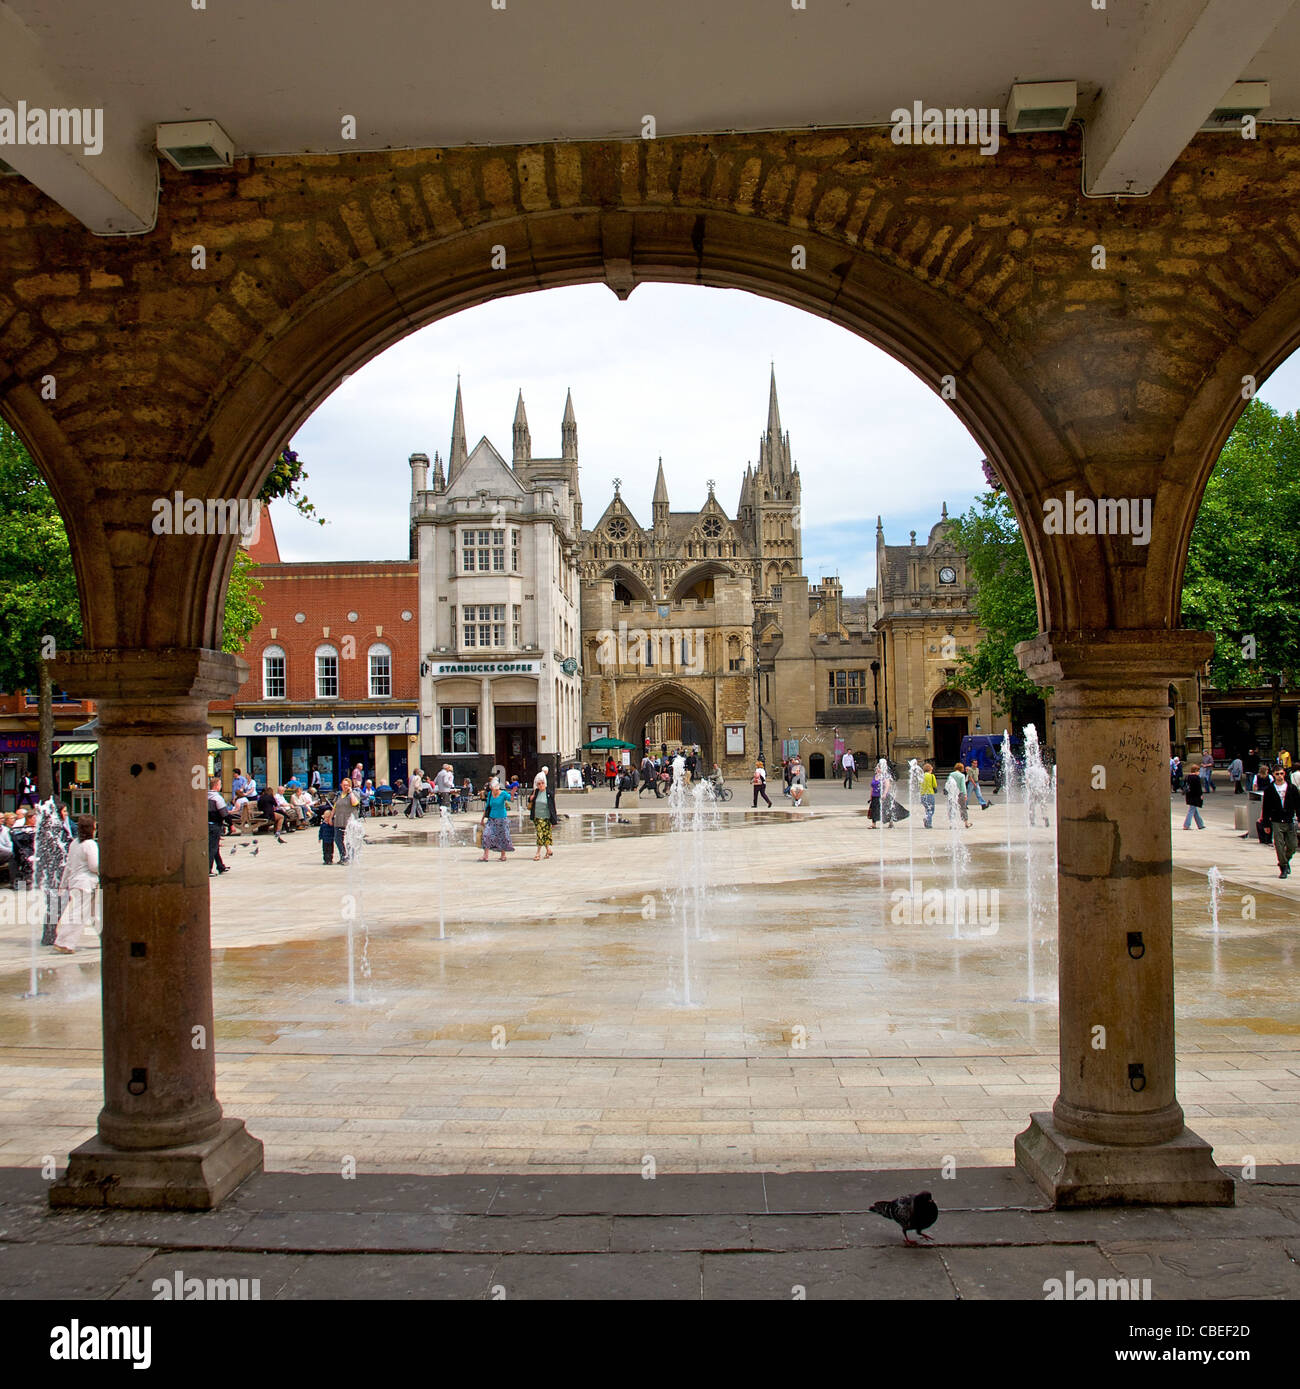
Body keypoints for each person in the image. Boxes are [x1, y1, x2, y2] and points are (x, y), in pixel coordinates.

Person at [53, 816, 99, 953]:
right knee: (80, 914)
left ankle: (109, 938)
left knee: (96, 914)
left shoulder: (75, 843)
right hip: (87, 883)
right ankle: (64, 942)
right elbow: (94, 866)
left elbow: (68, 866)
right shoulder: (90, 844)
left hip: (76, 882)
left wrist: (63, 883)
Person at [1261, 765, 1300, 878]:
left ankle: (1285, 861)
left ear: (1285, 774)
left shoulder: (1291, 788)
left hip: (1289, 819)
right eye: (1277, 774)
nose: (1280, 776)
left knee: (1292, 845)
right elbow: (1266, 807)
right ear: (1273, 774)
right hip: (1276, 820)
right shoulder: (1269, 790)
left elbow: (1298, 805)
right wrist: (1266, 823)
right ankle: (1283, 867)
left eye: (1281, 773)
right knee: (1279, 845)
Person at [479, 776, 514, 861]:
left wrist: (512, 792)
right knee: (486, 835)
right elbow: (487, 806)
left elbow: (511, 799)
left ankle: (503, 855)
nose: (495, 791)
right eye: (493, 789)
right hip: (491, 818)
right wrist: (482, 819)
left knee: (502, 836)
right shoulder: (490, 794)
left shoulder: (503, 794)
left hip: (502, 818)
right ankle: (485, 855)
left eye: (496, 789)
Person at [326, 777, 359, 863]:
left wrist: (351, 792)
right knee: (337, 839)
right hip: (339, 820)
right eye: (344, 785)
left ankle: (350, 857)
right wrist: (330, 817)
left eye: (347, 785)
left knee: (349, 840)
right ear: (341, 785)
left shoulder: (354, 793)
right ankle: (343, 855)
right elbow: (335, 807)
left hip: (349, 821)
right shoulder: (339, 795)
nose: (345, 787)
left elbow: (355, 803)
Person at [529, 766, 558, 860]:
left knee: (546, 834)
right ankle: (538, 853)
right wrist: (531, 797)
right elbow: (529, 801)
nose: (540, 785)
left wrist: (554, 821)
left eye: (542, 783)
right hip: (537, 817)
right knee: (540, 834)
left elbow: (552, 807)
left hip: (547, 817)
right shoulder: (536, 792)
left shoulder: (549, 793)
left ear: (545, 784)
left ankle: (547, 851)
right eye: (538, 784)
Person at [207, 776, 232, 875]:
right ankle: (208, 869)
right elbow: (224, 812)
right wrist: (231, 824)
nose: (221, 786)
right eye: (220, 784)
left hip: (207, 824)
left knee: (214, 845)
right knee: (212, 847)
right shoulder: (217, 798)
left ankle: (220, 866)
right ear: (217, 786)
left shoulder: (205, 796)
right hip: (215, 824)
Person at [946, 762, 971, 828]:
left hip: (952, 793)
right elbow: (963, 786)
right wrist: (965, 794)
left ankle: (951, 823)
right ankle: (966, 823)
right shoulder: (962, 775)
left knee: (952, 808)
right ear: (961, 768)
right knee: (963, 808)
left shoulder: (951, 774)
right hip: (960, 793)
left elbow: (948, 783)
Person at [1182, 763, 1205, 830]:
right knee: (1191, 810)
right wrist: (1201, 795)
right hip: (1195, 796)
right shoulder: (1196, 778)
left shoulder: (1187, 777)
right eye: (1198, 771)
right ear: (1196, 771)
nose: (1199, 772)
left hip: (1189, 795)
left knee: (1194, 810)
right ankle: (1186, 825)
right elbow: (1198, 788)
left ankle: (1200, 824)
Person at [920, 762, 937, 829]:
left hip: (922, 795)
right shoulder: (932, 776)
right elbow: (935, 785)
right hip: (930, 794)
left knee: (927, 809)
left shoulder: (921, 776)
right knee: (931, 809)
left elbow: (919, 785)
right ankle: (928, 823)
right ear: (930, 769)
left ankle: (927, 819)